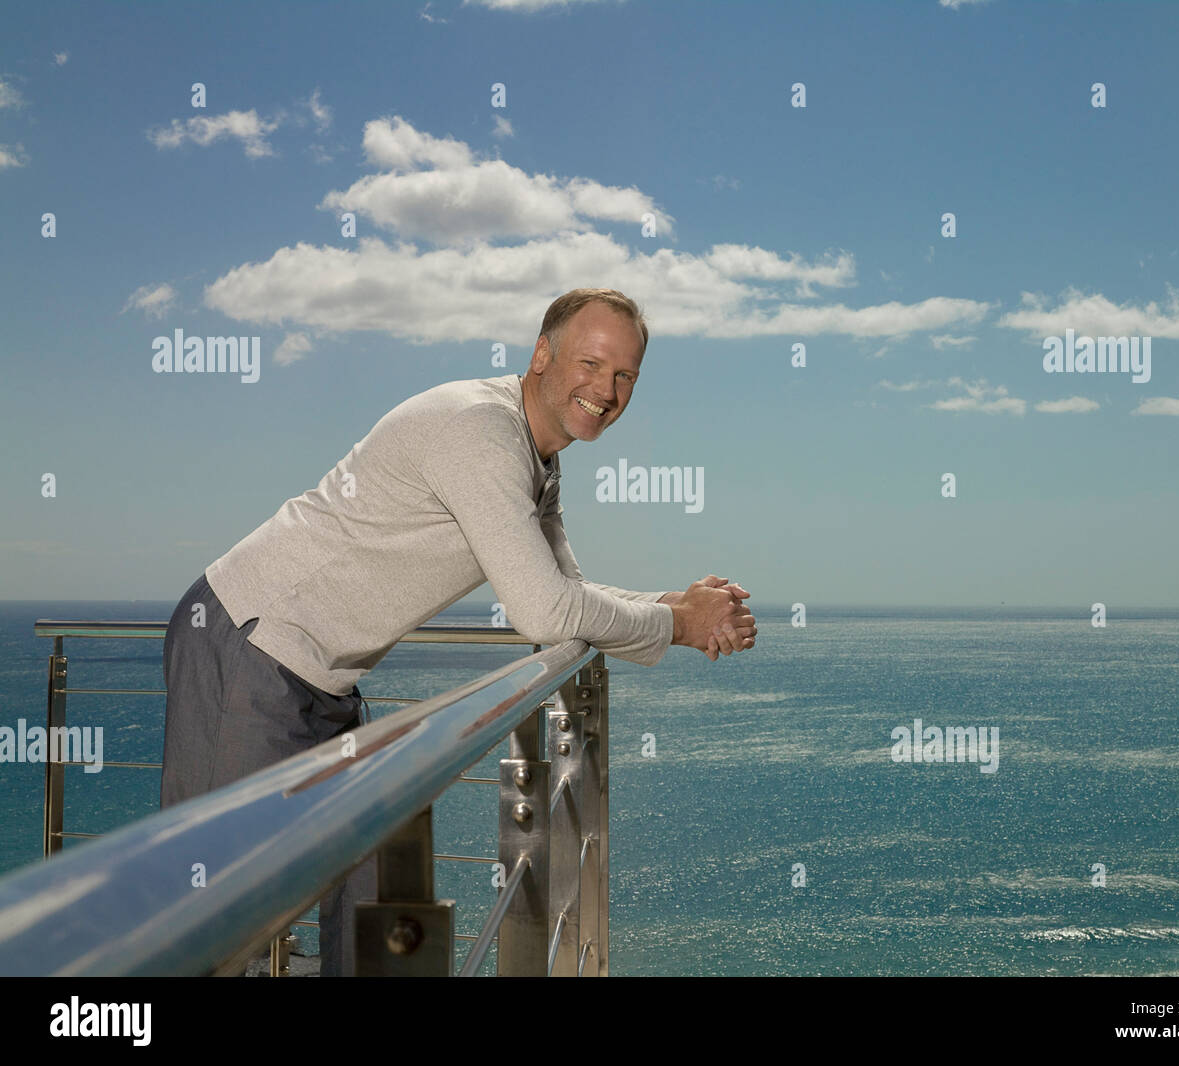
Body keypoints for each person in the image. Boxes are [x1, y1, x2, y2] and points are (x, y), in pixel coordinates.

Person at [159, 287, 757, 976]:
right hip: (248, 643)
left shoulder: (537, 457)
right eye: (591, 364)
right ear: (542, 353)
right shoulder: (480, 432)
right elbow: (544, 613)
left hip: (320, 675)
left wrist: (674, 603)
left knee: (347, 905)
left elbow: (565, 590)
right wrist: (679, 624)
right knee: (211, 913)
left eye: (625, 375)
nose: (607, 389)